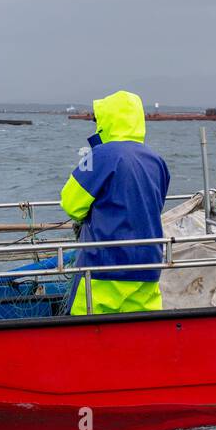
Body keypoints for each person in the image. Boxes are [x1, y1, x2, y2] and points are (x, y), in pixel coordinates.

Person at [59, 90, 170, 314]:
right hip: (148, 266)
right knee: (139, 334)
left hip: (104, 269)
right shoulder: (156, 160)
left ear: (107, 120)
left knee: (87, 335)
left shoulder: (100, 155)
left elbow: (70, 204)